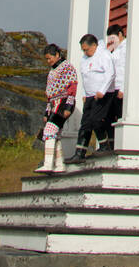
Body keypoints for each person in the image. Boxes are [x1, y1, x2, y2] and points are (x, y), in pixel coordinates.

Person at [67, 34, 116, 164]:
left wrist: (102, 90)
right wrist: (84, 93)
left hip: (102, 94)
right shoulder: (84, 59)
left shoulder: (103, 55)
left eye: (86, 49)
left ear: (94, 45)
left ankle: (104, 145)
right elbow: (85, 77)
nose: (85, 52)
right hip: (89, 96)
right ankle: (80, 152)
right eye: (83, 50)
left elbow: (110, 73)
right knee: (86, 124)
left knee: (95, 120)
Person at [35, 44, 77, 173]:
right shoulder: (52, 72)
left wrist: (68, 107)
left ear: (57, 55)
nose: (49, 61)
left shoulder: (67, 68)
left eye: (50, 58)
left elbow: (72, 88)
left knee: (49, 130)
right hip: (54, 104)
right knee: (55, 134)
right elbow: (50, 95)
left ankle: (48, 164)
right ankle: (59, 164)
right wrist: (47, 112)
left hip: (63, 103)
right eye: (46, 59)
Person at [105, 23, 126, 142]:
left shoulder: (126, 47)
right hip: (111, 88)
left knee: (119, 115)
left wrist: (123, 88)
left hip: (120, 86)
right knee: (108, 115)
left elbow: (125, 68)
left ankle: (120, 142)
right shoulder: (112, 50)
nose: (111, 41)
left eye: (113, 38)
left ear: (120, 34)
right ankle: (111, 142)